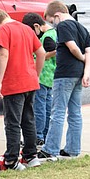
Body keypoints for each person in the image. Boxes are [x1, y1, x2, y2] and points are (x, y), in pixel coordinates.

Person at [0, 8, 45, 171]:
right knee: (28, 119)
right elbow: (41, 52)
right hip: (30, 81)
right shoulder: (25, 28)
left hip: (14, 82)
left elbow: (2, 54)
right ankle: (31, 155)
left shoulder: (3, 30)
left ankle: (11, 159)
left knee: (12, 122)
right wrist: (36, 75)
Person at [38, 0, 90, 160]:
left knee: (58, 112)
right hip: (78, 74)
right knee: (75, 112)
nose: (52, 25)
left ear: (56, 15)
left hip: (64, 74)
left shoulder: (63, 26)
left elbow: (72, 47)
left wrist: (80, 57)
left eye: (51, 21)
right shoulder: (82, 28)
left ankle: (50, 149)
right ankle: (72, 149)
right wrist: (86, 72)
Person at [21, 12, 57, 149]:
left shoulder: (47, 37)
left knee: (39, 107)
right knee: (47, 106)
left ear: (37, 26)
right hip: (50, 76)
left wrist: (41, 56)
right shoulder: (54, 32)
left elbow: (52, 50)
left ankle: (39, 135)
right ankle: (46, 133)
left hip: (41, 75)